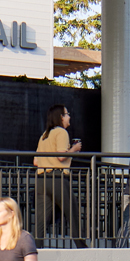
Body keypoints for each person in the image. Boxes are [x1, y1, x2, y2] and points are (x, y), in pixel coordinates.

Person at [34, 104, 82, 246]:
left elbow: (35, 161)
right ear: (61, 117)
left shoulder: (44, 135)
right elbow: (61, 156)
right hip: (58, 177)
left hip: (42, 178)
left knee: (41, 218)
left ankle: (36, 247)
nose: (69, 117)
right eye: (67, 114)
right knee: (72, 212)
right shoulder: (61, 132)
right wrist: (74, 149)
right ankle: (81, 246)